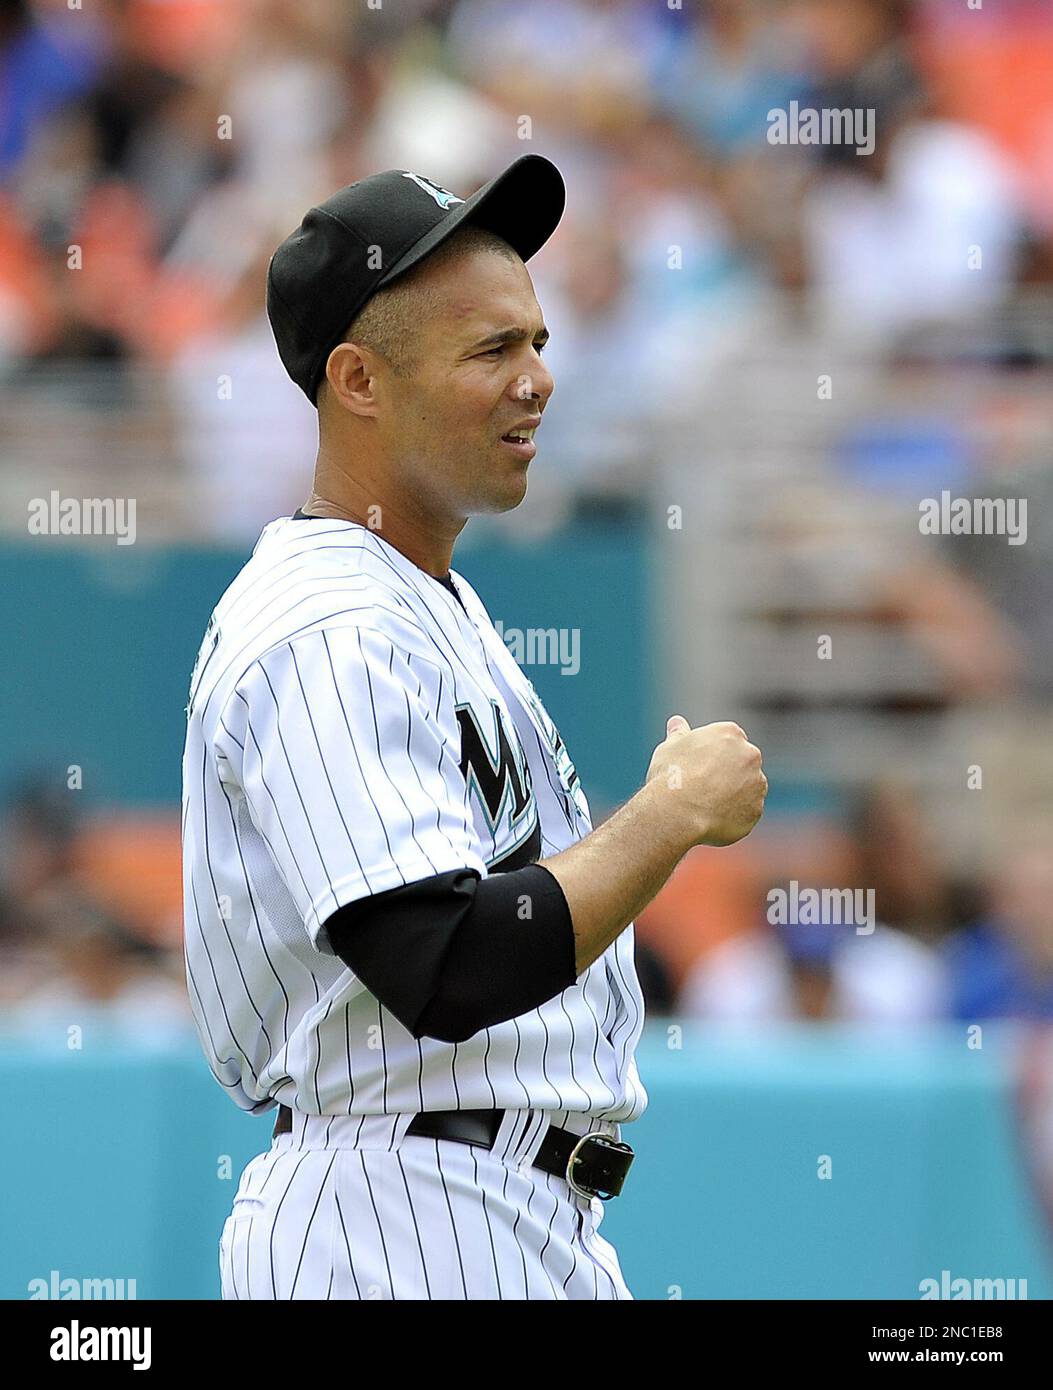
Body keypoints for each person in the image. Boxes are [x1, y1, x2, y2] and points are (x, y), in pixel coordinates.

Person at [180, 153, 768, 1300]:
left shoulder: (419, 598)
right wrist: (670, 815)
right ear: (358, 378)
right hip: (400, 1215)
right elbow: (438, 960)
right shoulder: (329, 623)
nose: (539, 379)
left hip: (482, 1204)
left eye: (539, 342)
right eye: (492, 349)